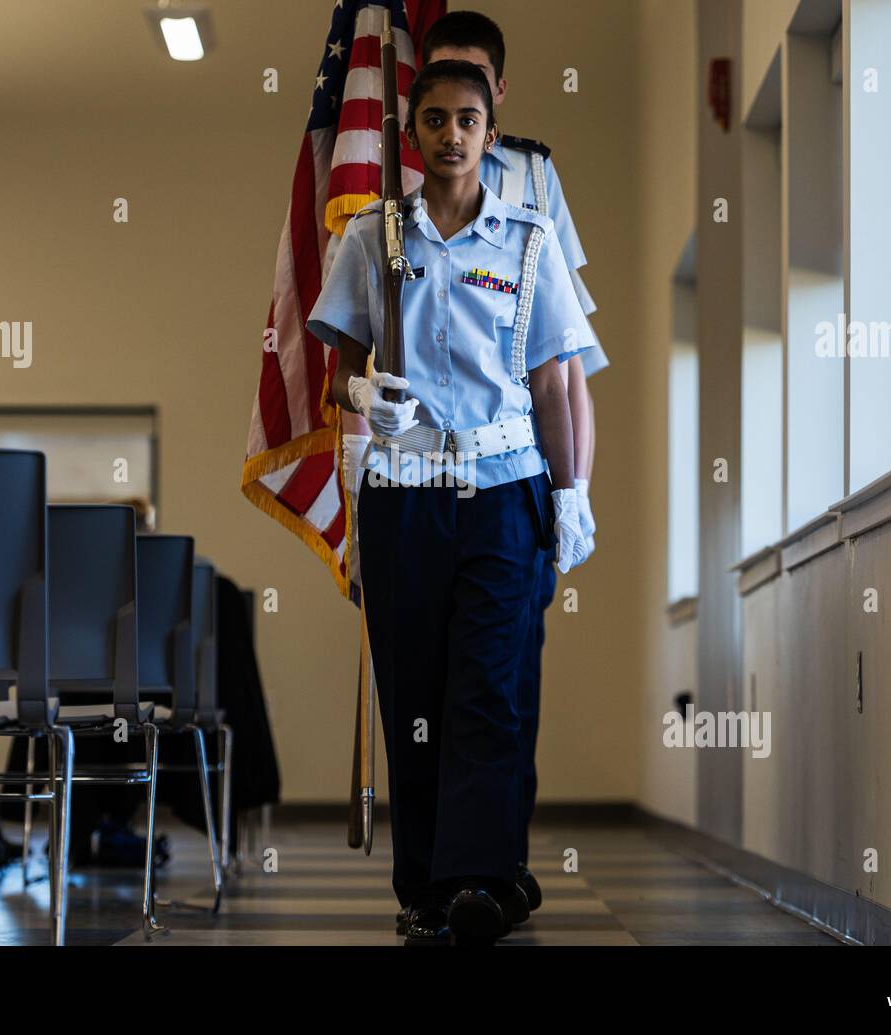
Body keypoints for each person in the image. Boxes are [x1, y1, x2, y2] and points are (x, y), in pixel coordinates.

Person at [308, 59, 593, 945]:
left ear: (488, 134)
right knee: (416, 692)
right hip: (404, 495)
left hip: (504, 489)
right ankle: (428, 883)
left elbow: (553, 379)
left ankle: (479, 877)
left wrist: (571, 490)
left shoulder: (530, 240)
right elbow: (339, 364)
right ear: (411, 136)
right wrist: (362, 399)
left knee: (489, 690)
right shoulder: (372, 240)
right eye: (433, 119)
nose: (451, 135)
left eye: (467, 119)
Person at [422, 11, 607, 913]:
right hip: (417, 477)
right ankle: (456, 870)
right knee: (438, 684)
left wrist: (574, 492)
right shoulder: (395, 181)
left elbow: (566, 356)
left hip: (517, 468)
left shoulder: (533, 174)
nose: (455, 112)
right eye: (440, 79)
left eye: (474, 85)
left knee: (505, 680)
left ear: (498, 94)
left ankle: (498, 862)